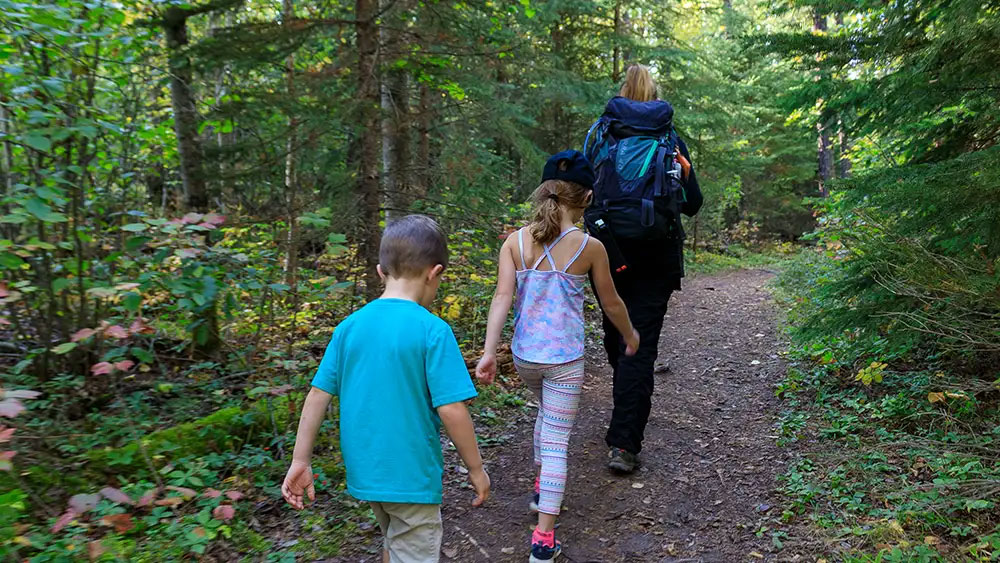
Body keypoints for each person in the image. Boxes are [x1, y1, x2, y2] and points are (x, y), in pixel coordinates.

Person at [281, 215, 490, 563]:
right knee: (412, 548)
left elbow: (318, 394)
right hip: (410, 476)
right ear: (435, 273)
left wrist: (300, 460)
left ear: (381, 272)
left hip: (367, 470)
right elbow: (452, 408)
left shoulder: (349, 327)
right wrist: (475, 467)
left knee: (394, 542)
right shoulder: (433, 331)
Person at [476, 150, 639, 562]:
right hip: (565, 361)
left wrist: (489, 350)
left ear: (544, 190)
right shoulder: (590, 247)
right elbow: (612, 303)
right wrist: (630, 333)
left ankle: (540, 488)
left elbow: (501, 297)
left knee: (546, 418)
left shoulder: (514, 242)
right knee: (556, 442)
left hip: (527, 357)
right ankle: (543, 540)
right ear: (586, 198)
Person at [588, 64, 704, 473]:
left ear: (621, 92)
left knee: (616, 333)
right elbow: (691, 203)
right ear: (655, 95)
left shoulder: (601, 133)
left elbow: (583, 193)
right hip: (657, 253)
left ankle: (625, 411)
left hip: (607, 248)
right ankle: (623, 444)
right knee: (640, 343)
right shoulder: (670, 138)